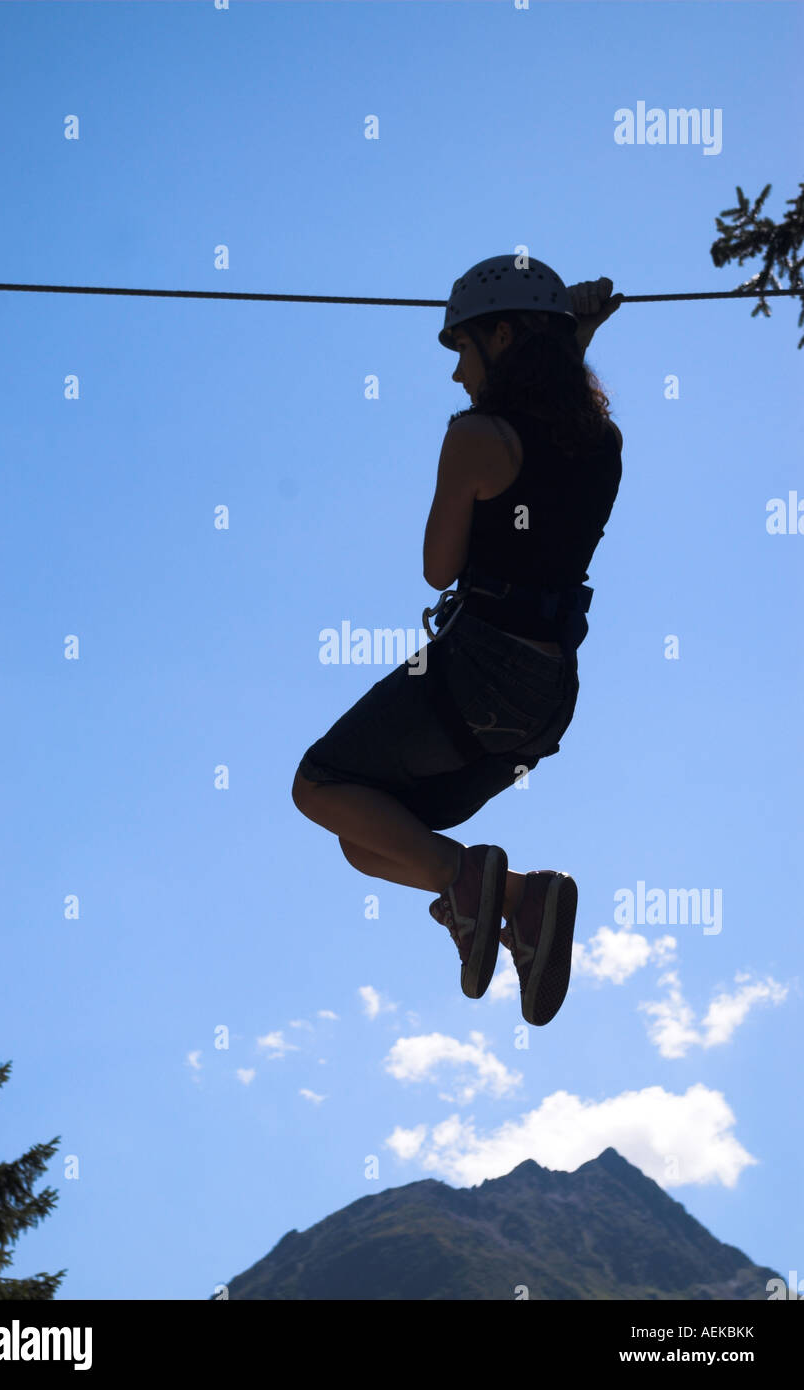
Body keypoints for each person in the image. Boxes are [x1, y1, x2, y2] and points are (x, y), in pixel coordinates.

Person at [292, 256, 623, 1026]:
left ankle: (482, 890)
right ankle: (513, 898)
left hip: (479, 671)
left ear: (501, 337)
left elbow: (435, 568)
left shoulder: (476, 435)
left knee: (318, 786)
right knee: (365, 839)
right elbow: (549, 431)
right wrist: (565, 338)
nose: (456, 376)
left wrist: (558, 337)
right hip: (544, 701)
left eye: (463, 352)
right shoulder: (602, 441)